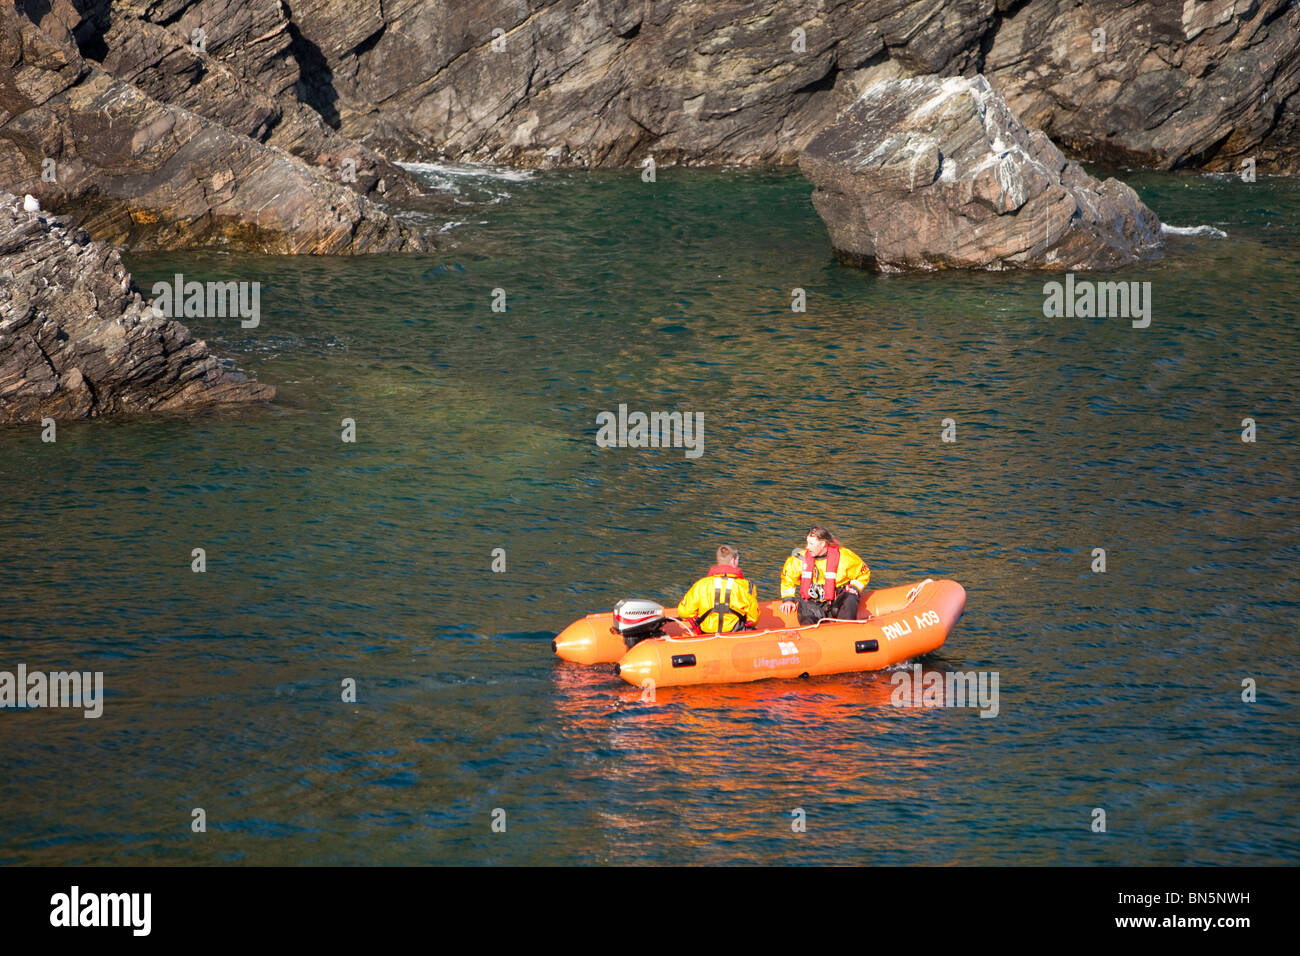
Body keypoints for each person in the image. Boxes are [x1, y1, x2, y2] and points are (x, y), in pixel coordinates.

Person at [779, 526, 870, 625]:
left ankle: (846, 630)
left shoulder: (844, 557)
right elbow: (788, 578)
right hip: (812, 604)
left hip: (836, 603)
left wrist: (855, 588)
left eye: (811, 544)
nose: (807, 547)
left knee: (851, 597)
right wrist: (788, 599)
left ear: (823, 544)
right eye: (807, 542)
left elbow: (863, 573)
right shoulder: (799, 560)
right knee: (804, 605)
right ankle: (810, 635)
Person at [678, 545, 760, 634]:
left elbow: (684, 612)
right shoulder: (746, 586)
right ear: (733, 561)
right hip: (735, 632)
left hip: (706, 632)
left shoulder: (701, 585)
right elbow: (753, 619)